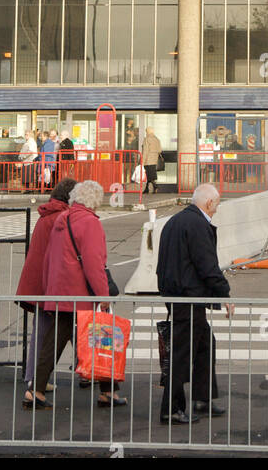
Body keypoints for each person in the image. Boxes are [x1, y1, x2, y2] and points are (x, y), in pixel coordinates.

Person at [26, 179, 125, 410]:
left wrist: (49, 288)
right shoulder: (90, 223)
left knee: (54, 344)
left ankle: (36, 391)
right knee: (100, 341)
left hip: (59, 293)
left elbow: (49, 258)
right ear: (95, 200)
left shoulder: (63, 218)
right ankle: (107, 392)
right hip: (79, 296)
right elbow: (94, 264)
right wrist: (103, 296)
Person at [156, 182, 232, 425]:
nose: (216, 210)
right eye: (216, 205)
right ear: (209, 203)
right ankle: (171, 408)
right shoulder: (199, 225)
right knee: (181, 353)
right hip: (189, 297)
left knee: (204, 344)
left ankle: (203, 397)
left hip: (176, 294)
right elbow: (207, 264)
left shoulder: (174, 221)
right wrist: (224, 294)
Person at [16, 177, 77, 383]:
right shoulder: (62, 217)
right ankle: (89, 369)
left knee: (46, 329)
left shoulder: (47, 215)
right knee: (71, 326)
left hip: (38, 280)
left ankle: (33, 376)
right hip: (51, 282)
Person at [142, 128, 163, 195]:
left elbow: (145, 151)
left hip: (148, 159)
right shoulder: (157, 139)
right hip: (154, 159)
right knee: (150, 174)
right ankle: (147, 188)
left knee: (149, 175)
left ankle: (155, 186)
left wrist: (143, 160)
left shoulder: (147, 139)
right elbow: (160, 150)